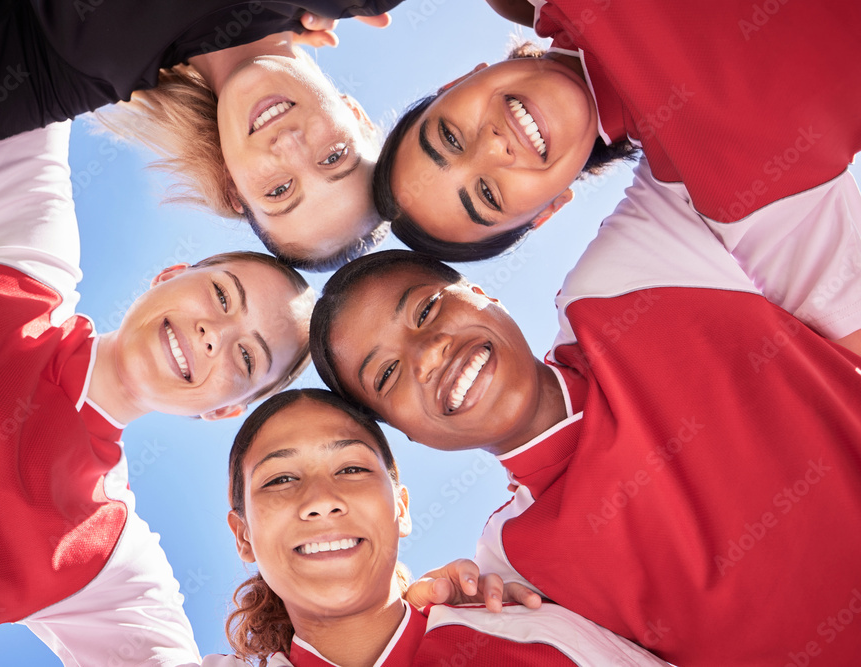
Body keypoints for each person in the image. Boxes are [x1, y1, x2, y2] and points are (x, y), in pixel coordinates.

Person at [0, 119, 314, 666]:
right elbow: (22, 64)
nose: (213, 335)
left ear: (224, 410)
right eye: (221, 296)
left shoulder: (108, 560)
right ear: (168, 274)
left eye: (247, 357)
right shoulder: (19, 255)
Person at [307, 223, 861, 663]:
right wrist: (453, 616)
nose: (427, 356)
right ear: (404, 430)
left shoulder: (624, 280)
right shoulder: (511, 567)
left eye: (426, 310)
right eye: (386, 376)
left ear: (479, 291)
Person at [373, 0, 861, 351]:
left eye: (452, 139)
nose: (493, 146)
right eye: (486, 193)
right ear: (548, 210)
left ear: (455, 82)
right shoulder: (734, 194)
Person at [0, 0, 397, 270]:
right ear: (357, 115)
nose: (291, 149)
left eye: (279, 192)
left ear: (235, 188)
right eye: (335, 156)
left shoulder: (65, 65)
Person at [218, 388, 670, 666]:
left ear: (402, 509)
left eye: (352, 469)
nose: (320, 502)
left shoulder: (540, 637)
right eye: (280, 479)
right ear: (244, 536)